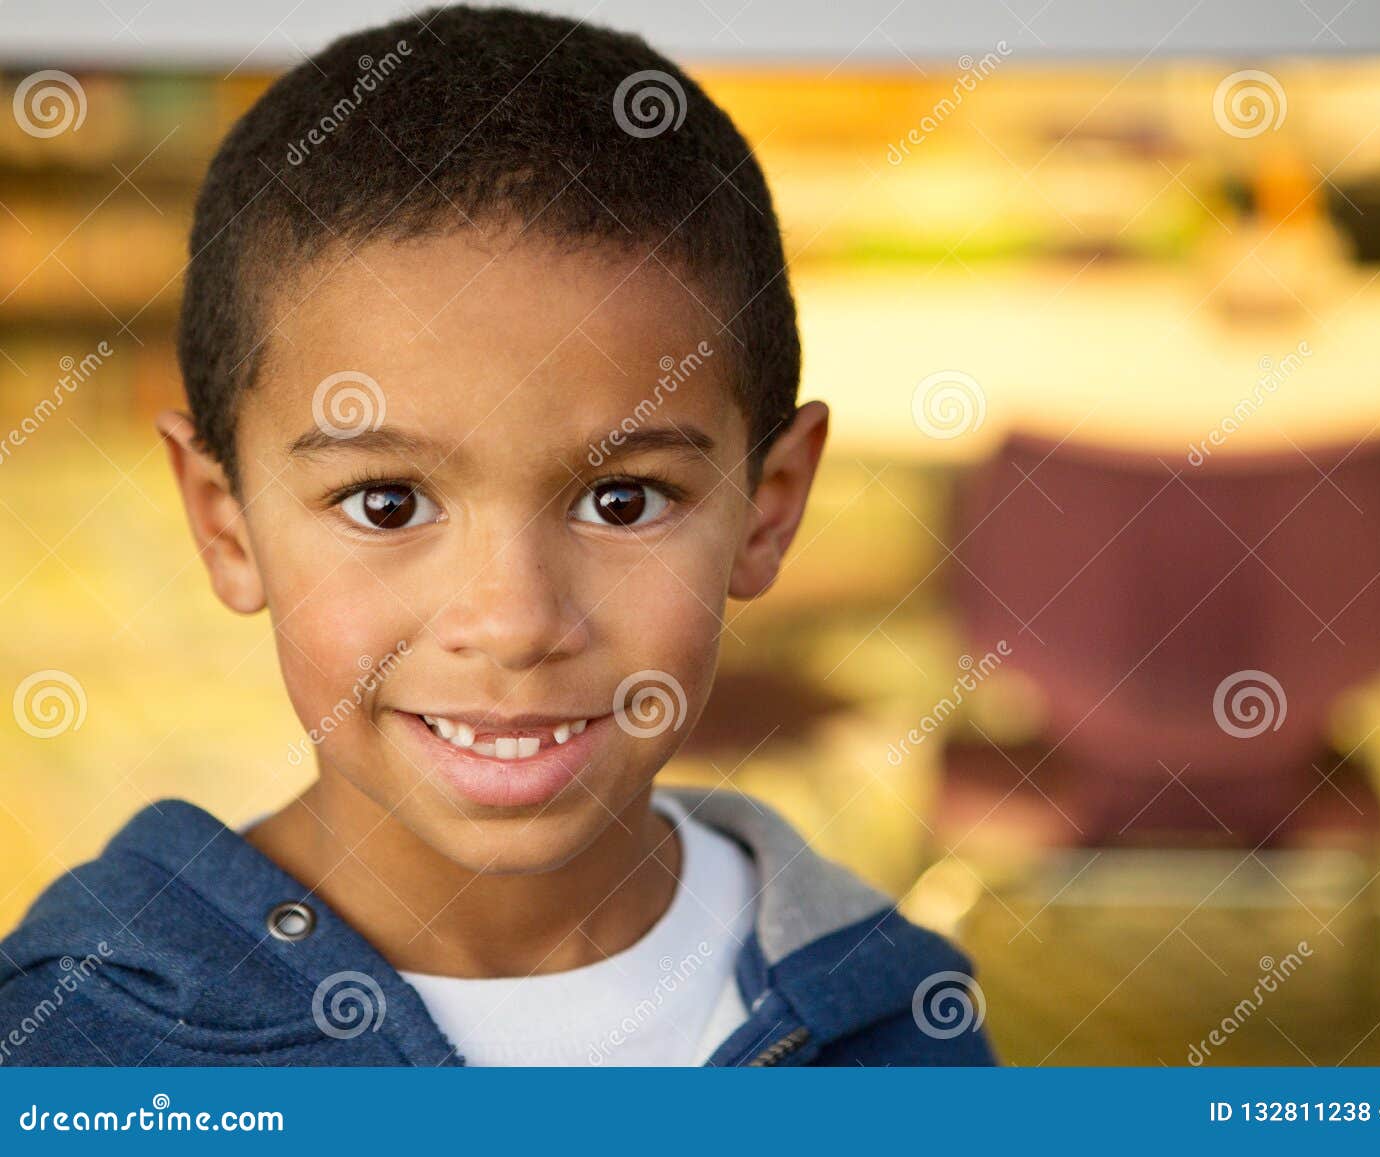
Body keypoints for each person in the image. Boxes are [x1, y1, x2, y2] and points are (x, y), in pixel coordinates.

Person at [0, 4, 995, 1067]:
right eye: (387, 503)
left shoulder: (894, 1020)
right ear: (224, 519)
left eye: (624, 500)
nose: (516, 622)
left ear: (769, 503)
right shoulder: (86, 1042)